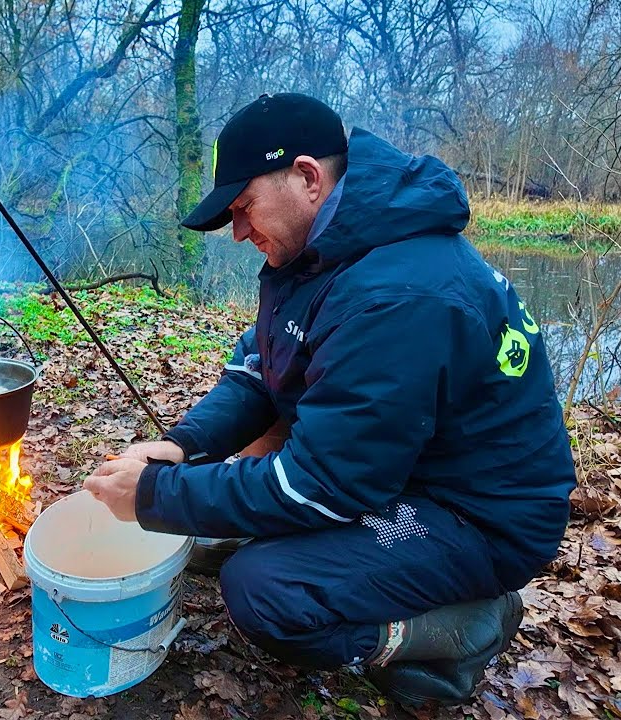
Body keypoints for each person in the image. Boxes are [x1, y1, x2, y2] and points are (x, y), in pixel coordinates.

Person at [84, 93, 576, 707]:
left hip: (476, 517)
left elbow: (320, 484)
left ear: (308, 177)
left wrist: (155, 495)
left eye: (243, 208)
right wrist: (183, 446)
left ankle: (463, 627)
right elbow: (261, 371)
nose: (239, 232)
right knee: (230, 498)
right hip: (401, 466)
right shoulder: (322, 253)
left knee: (265, 589)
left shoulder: (395, 294)